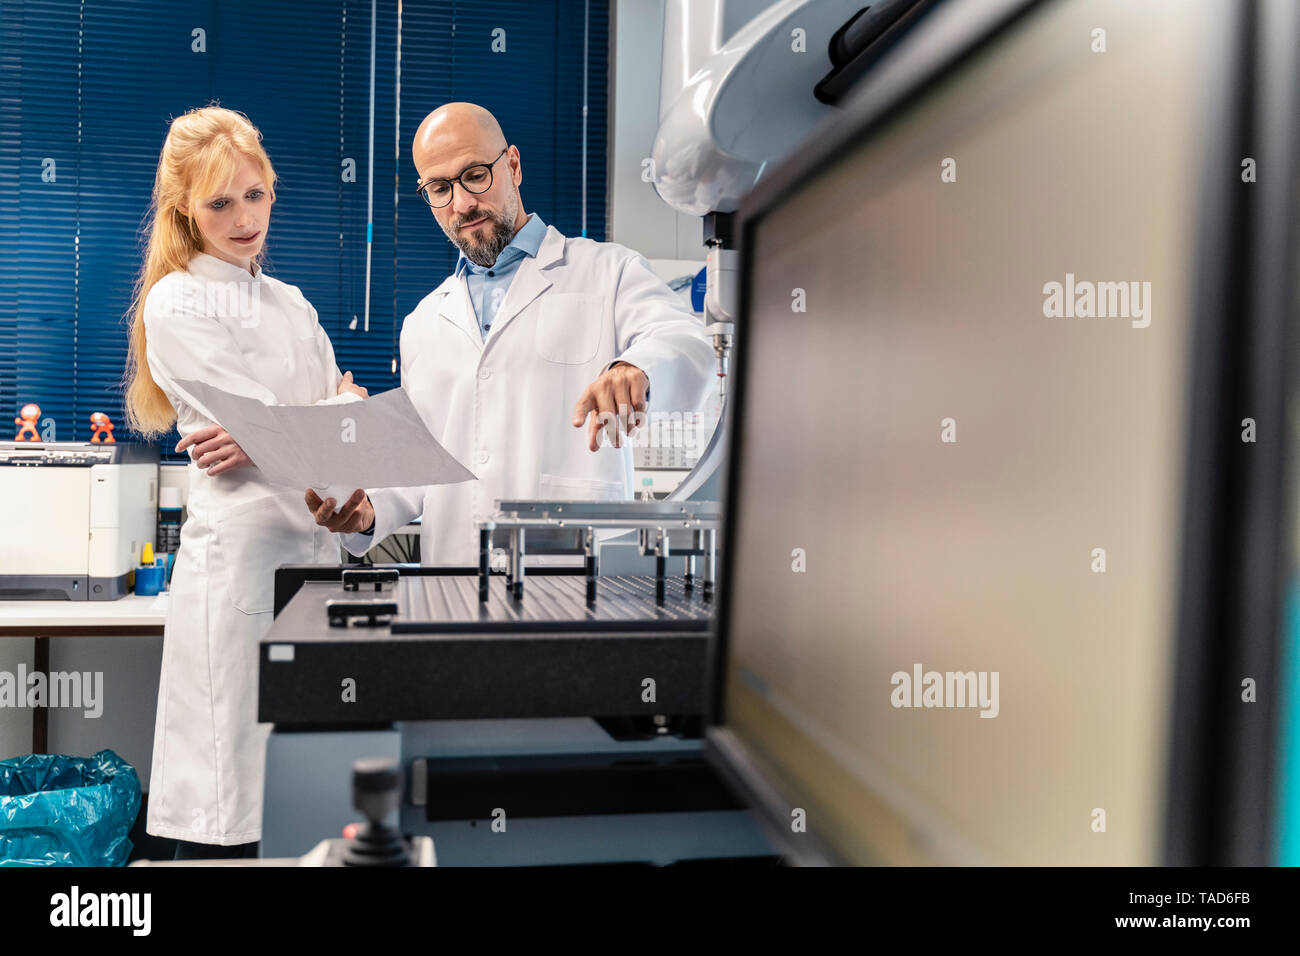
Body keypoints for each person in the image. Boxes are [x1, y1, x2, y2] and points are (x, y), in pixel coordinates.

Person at [305, 102, 714, 563]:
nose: (461, 204)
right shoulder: (423, 321)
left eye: (475, 175)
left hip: (569, 577)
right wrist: (368, 514)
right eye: (440, 188)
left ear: (513, 166)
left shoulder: (607, 271)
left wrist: (636, 366)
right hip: (455, 583)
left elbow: (688, 344)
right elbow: (423, 466)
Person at [123, 106, 367, 859]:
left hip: (314, 558)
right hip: (241, 569)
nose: (243, 217)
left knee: (300, 788)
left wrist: (286, 429)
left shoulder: (291, 303)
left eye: (255, 194)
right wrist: (326, 415)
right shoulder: (177, 301)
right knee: (227, 791)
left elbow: (336, 432)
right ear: (184, 211)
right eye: (219, 202)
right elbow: (313, 418)